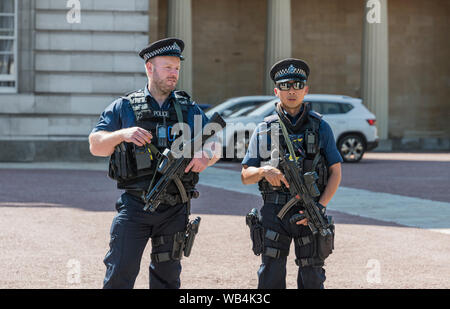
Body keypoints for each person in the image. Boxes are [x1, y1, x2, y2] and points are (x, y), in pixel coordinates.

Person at [89, 37, 220, 289]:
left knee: (167, 279)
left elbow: (216, 144)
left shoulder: (188, 108)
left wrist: (207, 155)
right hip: (136, 205)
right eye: (168, 67)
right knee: (119, 273)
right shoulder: (124, 107)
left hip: (175, 208)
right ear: (150, 68)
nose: (174, 74)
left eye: (177, 68)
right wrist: (122, 135)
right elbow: (96, 144)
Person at [241, 58, 342, 289]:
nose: (292, 91)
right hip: (274, 212)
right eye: (285, 86)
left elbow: (336, 172)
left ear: (306, 90)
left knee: (312, 278)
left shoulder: (320, 127)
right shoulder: (264, 128)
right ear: (277, 91)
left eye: (298, 85)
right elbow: (245, 175)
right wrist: (264, 171)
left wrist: (320, 206)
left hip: (309, 211)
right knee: (270, 278)